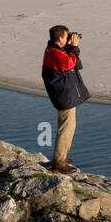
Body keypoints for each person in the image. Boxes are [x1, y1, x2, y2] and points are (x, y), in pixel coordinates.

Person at [41, 24, 90, 174]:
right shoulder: (56, 53)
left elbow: (76, 65)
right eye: (67, 36)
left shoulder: (53, 49)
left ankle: (62, 157)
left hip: (63, 94)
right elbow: (70, 63)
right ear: (61, 38)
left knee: (69, 127)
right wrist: (74, 47)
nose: (69, 39)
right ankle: (59, 163)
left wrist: (69, 48)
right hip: (64, 96)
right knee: (66, 129)